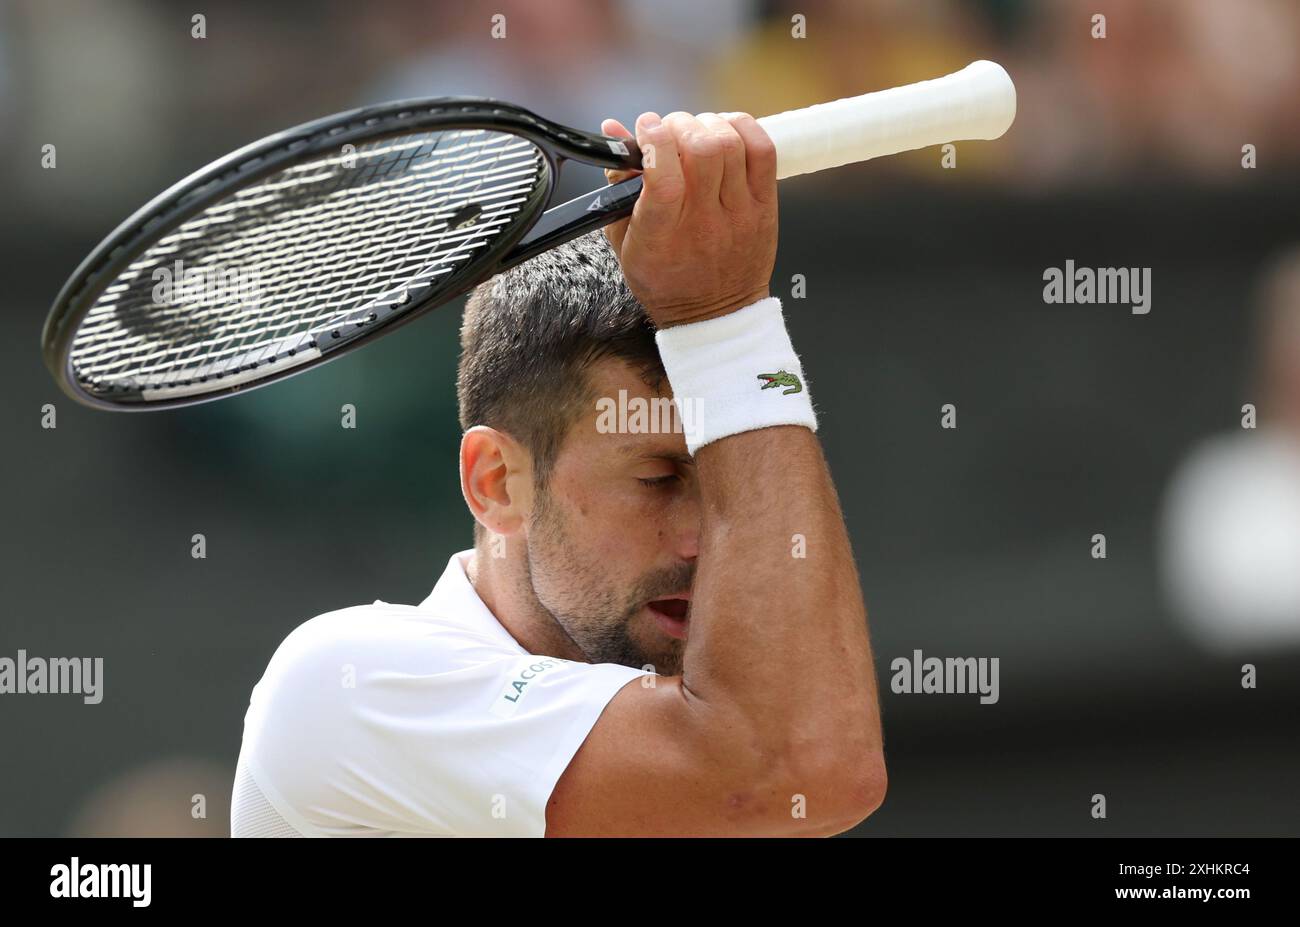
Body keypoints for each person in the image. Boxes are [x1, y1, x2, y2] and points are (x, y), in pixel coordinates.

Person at [231, 110, 886, 837]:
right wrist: (722, 318)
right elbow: (802, 770)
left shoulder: (695, 745)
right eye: (658, 477)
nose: (706, 538)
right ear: (496, 482)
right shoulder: (344, 685)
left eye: (728, 486)